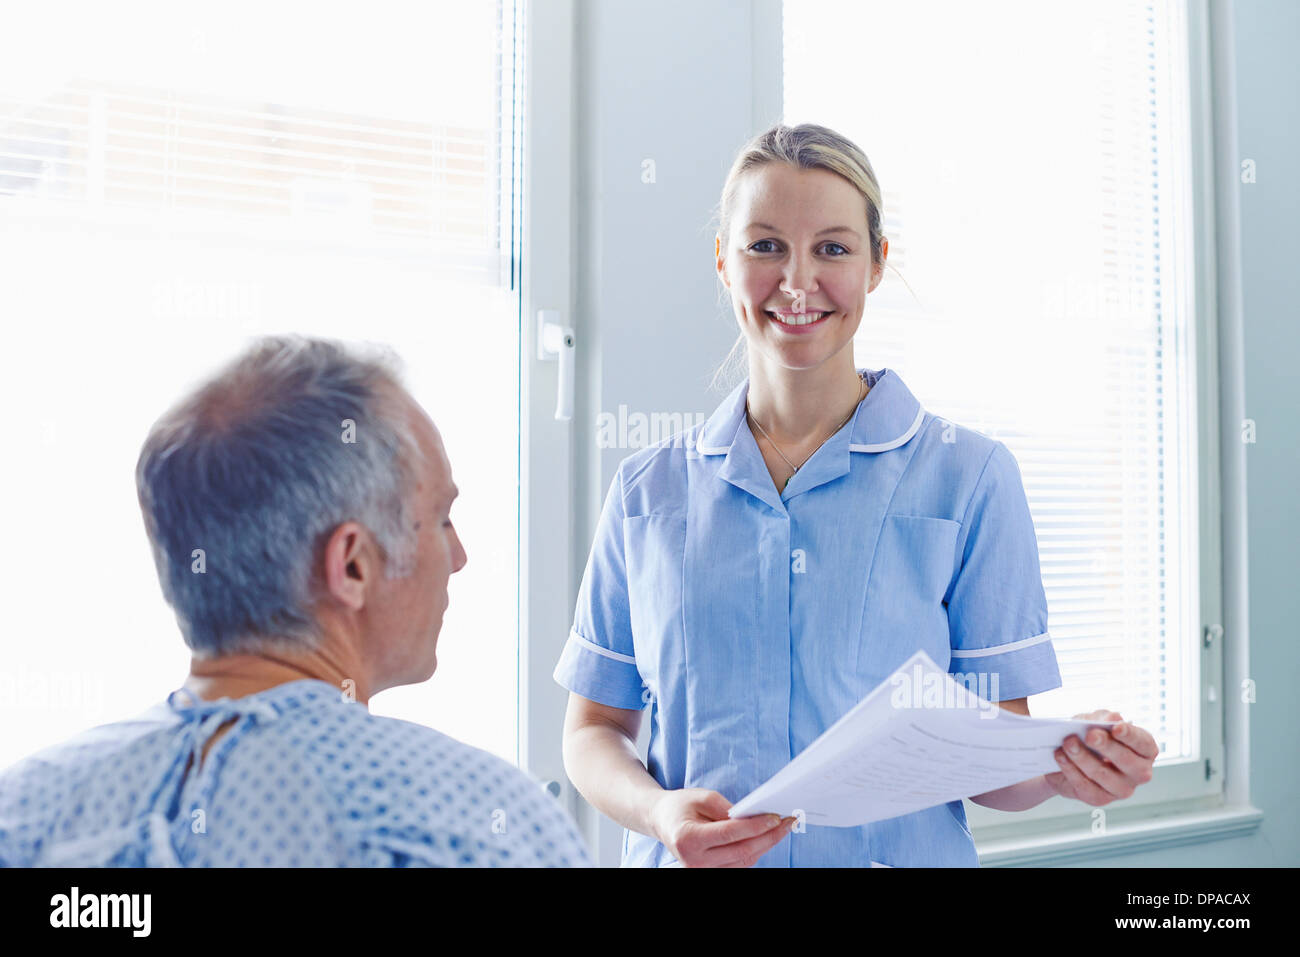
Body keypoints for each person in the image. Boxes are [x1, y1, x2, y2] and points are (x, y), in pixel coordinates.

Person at [554, 123, 1159, 867]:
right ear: (723, 259)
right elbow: (592, 729)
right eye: (765, 245)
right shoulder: (647, 491)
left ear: (877, 263)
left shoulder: (968, 478)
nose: (798, 281)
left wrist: (1072, 761)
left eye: (833, 248)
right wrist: (658, 810)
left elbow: (996, 757)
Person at [0, 335, 591, 867]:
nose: (458, 556)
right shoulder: (484, 826)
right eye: (441, 518)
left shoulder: (23, 813)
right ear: (352, 565)